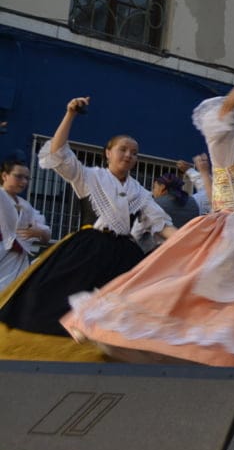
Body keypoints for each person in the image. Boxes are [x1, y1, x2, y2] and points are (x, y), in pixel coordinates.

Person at [60, 53, 234, 386]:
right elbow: (227, 107)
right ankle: (114, 325)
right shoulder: (230, 152)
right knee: (190, 294)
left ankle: (231, 374)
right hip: (227, 234)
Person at [0, 98, 176, 361]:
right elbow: (58, 153)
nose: (129, 155)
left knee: (136, 307)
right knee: (49, 296)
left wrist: (192, 240)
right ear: (108, 152)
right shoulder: (90, 176)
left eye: (134, 152)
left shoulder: (139, 192)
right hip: (89, 248)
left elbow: (162, 225)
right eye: (123, 149)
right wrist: (70, 114)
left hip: (124, 254)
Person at [0, 158, 50, 290]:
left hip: (16, 262)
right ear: (4, 175)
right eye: (18, 177)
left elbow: (46, 235)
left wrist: (40, 233)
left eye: (27, 178)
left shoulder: (26, 206)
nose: (23, 182)